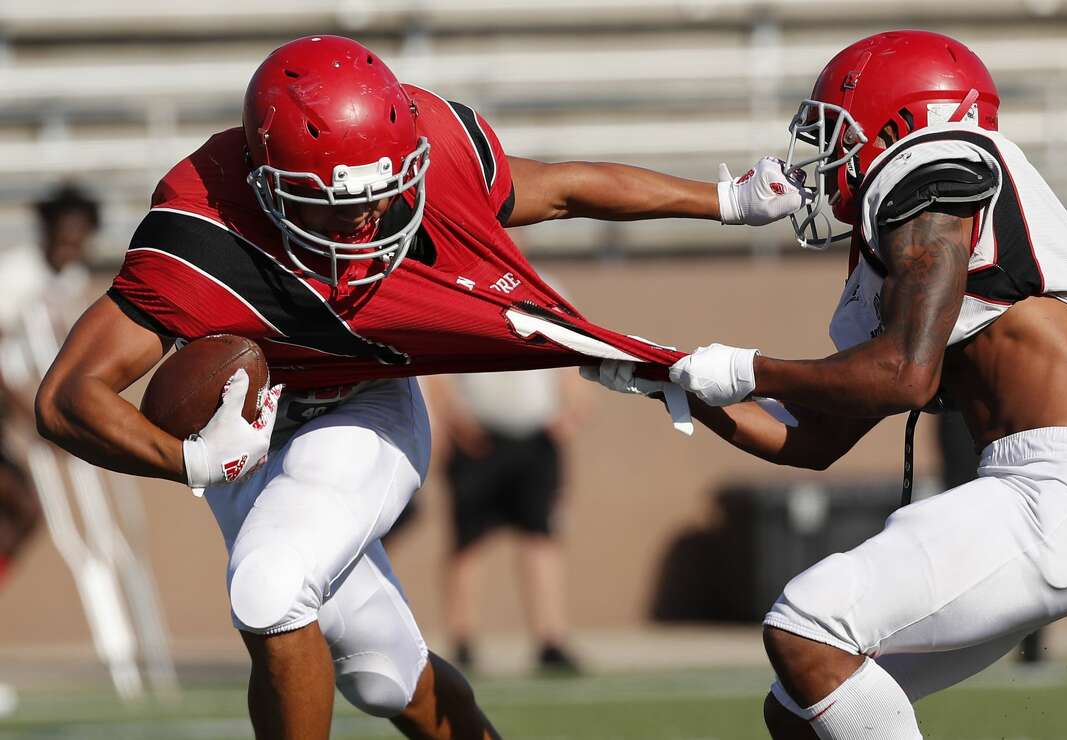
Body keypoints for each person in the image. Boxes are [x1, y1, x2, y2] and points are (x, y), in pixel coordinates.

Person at [33, 36, 804, 740]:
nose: (369, 220)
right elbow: (67, 396)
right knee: (383, 674)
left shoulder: (434, 163)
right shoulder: (205, 232)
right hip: (246, 436)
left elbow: (565, 188)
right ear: (264, 185)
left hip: (364, 405)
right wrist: (191, 462)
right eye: (335, 203)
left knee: (269, 585)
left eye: (383, 193)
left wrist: (728, 200)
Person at [584, 30, 1067, 739]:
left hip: (1062, 489)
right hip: (1051, 494)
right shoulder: (904, 229)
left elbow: (904, 376)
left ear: (899, 117)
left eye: (835, 132)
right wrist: (684, 382)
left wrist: (744, 368)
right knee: (799, 711)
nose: (825, 156)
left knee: (808, 626)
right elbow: (809, 439)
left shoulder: (936, 171)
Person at [425, 360, 590, 675]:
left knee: (542, 539)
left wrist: (572, 414)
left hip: (537, 442)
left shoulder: (547, 310)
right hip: (475, 443)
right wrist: (453, 419)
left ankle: (550, 639)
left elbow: (569, 364)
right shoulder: (464, 311)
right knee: (467, 543)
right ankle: (463, 640)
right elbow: (439, 372)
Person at [0, 184, 100, 584]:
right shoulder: (16, 275)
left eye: (78, 242)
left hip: (18, 401)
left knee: (26, 511)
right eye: (63, 239)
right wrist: (34, 418)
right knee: (20, 503)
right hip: (8, 398)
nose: (69, 249)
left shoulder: (71, 280)